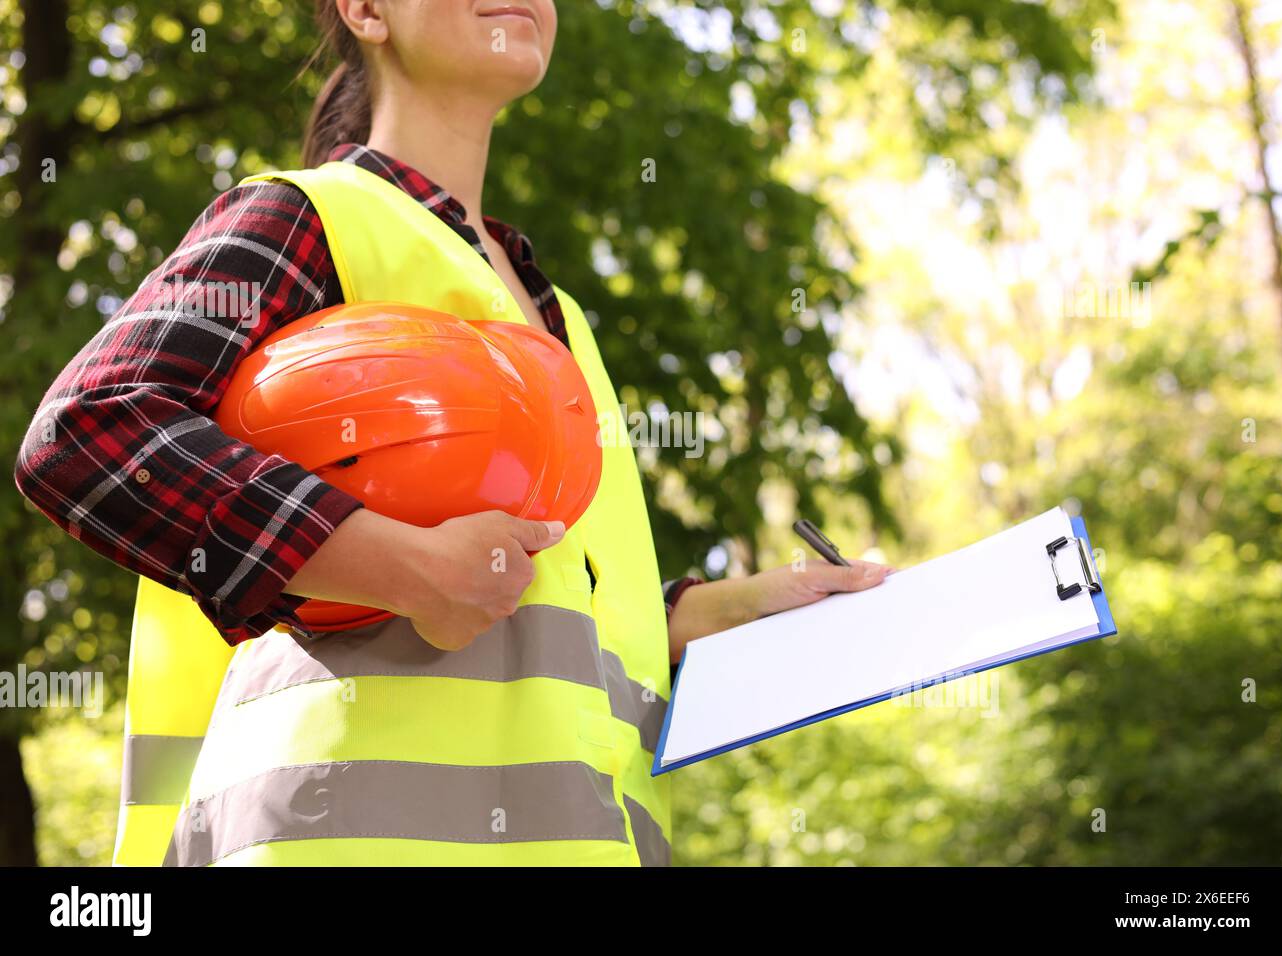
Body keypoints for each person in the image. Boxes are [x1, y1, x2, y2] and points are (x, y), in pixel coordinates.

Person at [15, 0, 889, 867]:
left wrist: (742, 608)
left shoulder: (567, 327)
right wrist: (402, 567)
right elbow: (91, 428)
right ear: (364, 10)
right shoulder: (308, 219)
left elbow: (565, 608)